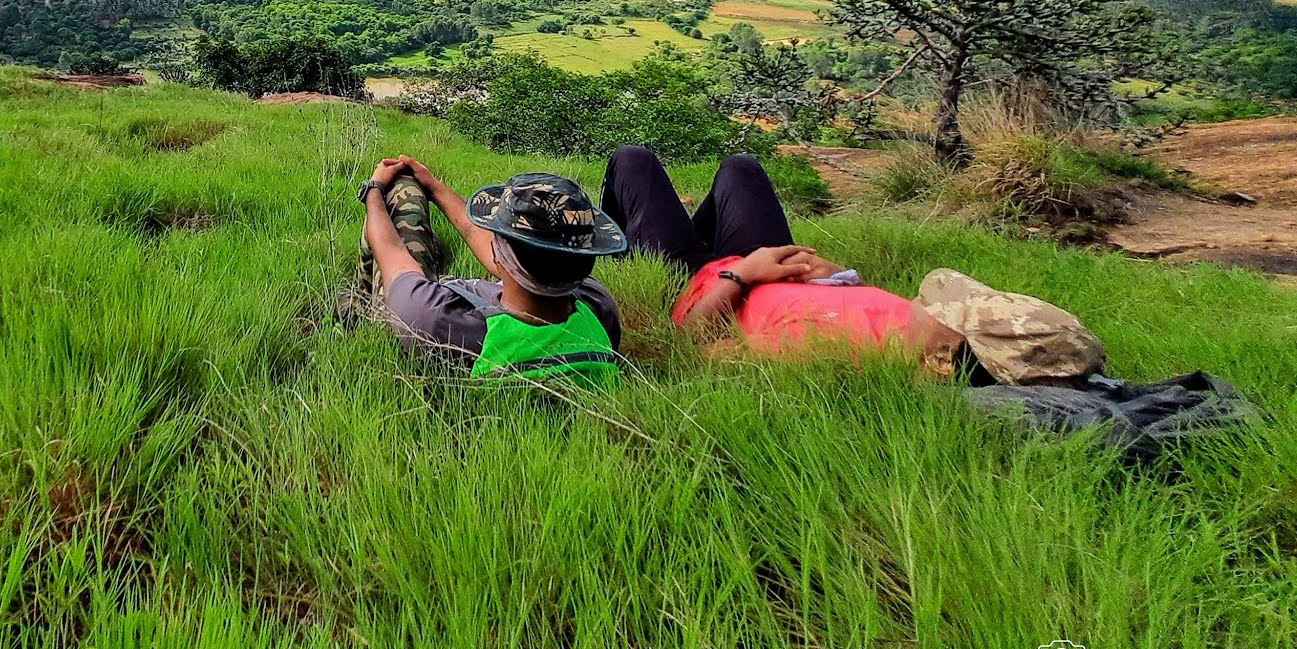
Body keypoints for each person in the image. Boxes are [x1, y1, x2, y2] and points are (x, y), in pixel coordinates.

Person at [600, 145, 964, 369]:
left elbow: (694, 340)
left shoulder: (833, 353)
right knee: (741, 167)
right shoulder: (918, 319)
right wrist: (842, 275)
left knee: (633, 161)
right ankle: (691, 233)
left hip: (696, 280)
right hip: (768, 263)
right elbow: (856, 300)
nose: (938, 300)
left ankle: (616, 256)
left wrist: (740, 275)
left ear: (943, 359)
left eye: (962, 317)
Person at [357, 155, 629, 381]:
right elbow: (518, 265)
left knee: (402, 194)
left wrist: (373, 189)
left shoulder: (439, 321)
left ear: (501, 257)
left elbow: (390, 250)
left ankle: (355, 309)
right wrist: (435, 188)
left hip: (434, 305)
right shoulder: (600, 311)